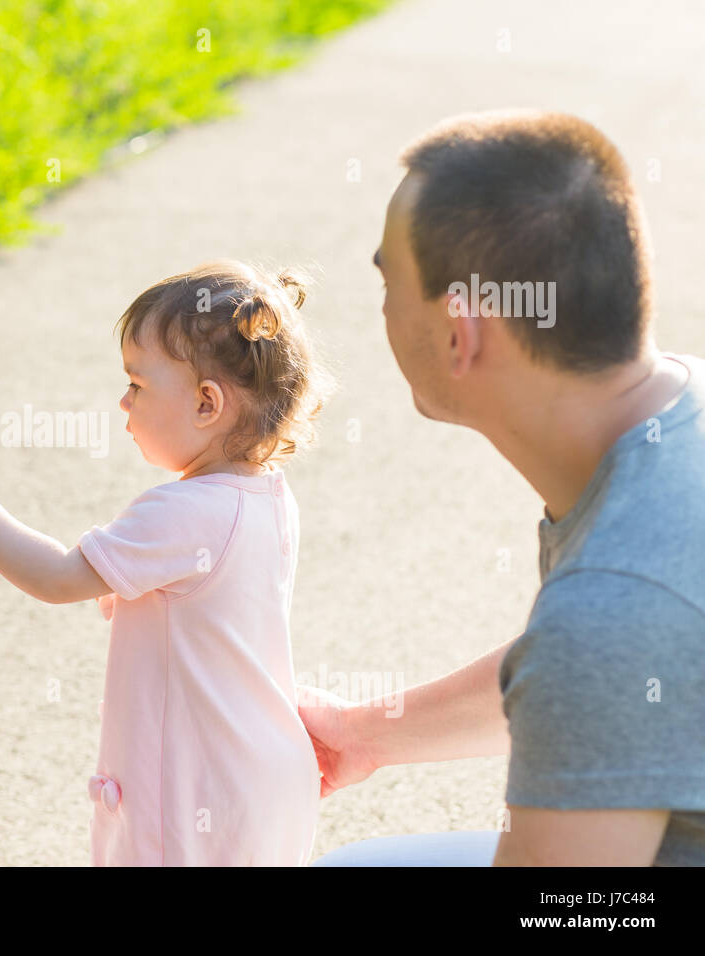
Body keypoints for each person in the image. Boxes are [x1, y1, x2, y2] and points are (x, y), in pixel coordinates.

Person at [300, 109, 705, 866]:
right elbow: (598, 670)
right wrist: (364, 733)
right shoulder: (681, 412)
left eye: (389, 282)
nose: (382, 310)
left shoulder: (616, 606)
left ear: (462, 334)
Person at [0, 260, 334, 865]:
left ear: (205, 403)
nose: (123, 400)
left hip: (197, 789)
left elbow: (58, 576)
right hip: (261, 775)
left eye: (137, 385)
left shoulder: (182, 509)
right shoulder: (266, 493)